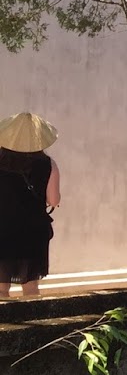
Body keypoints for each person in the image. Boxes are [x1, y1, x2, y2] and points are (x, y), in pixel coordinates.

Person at [0, 112, 61, 297]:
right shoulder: (48, 164)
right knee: (31, 288)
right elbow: (53, 200)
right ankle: (32, 315)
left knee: (1, 288)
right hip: (32, 231)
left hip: (3, 229)